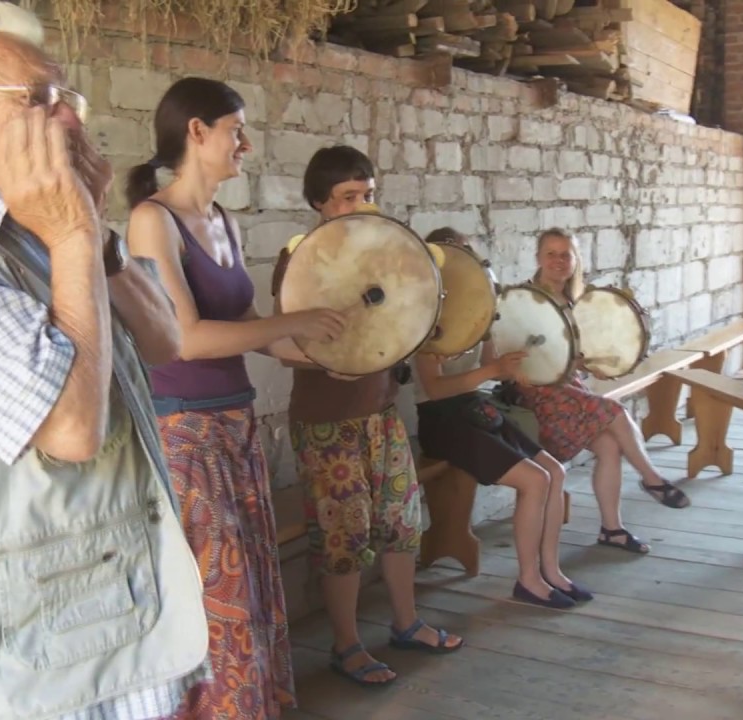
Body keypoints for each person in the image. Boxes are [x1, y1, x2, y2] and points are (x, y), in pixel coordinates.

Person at [0, 3, 210, 719]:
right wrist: (73, 232)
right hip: (23, 674)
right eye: (40, 99)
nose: (72, 120)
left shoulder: (37, 222)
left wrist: (95, 229)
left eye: (67, 98)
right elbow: (71, 430)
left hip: (111, 634)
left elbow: (165, 342)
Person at [124, 77, 343, 718]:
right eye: (235, 129)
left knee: (251, 586)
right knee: (220, 598)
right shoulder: (151, 220)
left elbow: (247, 323)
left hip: (236, 425)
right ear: (197, 131)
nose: (244, 143)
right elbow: (186, 339)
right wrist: (294, 323)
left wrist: (331, 359)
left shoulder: (222, 220)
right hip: (186, 435)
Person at [273, 145, 463, 688]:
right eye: (348, 197)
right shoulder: (300, 259)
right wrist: (327, 361)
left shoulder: (385, 252)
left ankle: (406, 623)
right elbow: (283, 335)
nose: (362, 205)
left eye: (369, 195)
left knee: (402, 522)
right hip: (326, 420)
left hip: (380, 412)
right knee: (344, 538)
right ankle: (346, 644)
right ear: (319, 204)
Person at [414, 227, 590, 610]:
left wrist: (522, 366)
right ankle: (528, 579)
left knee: (555, 472)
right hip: (441, 419)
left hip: (473, 408)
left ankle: (551, 570)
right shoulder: (426, 320)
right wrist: (493, 370)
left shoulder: (475, 312)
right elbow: (436, 390)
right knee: (534, 480)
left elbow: (495, 364)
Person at [508, 228, 690, 556]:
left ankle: (613, 529)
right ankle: (652, 478)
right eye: (551, 253)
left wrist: (592, 364)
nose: (559, 261)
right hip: (538, 399)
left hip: (570, 393)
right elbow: (509, 354)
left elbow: (574, 359)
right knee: (614, 411)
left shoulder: (576, 301)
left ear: (575, 260)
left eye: (566, 254)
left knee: (608, 446)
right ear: (538, 258)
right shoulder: (522, 300)